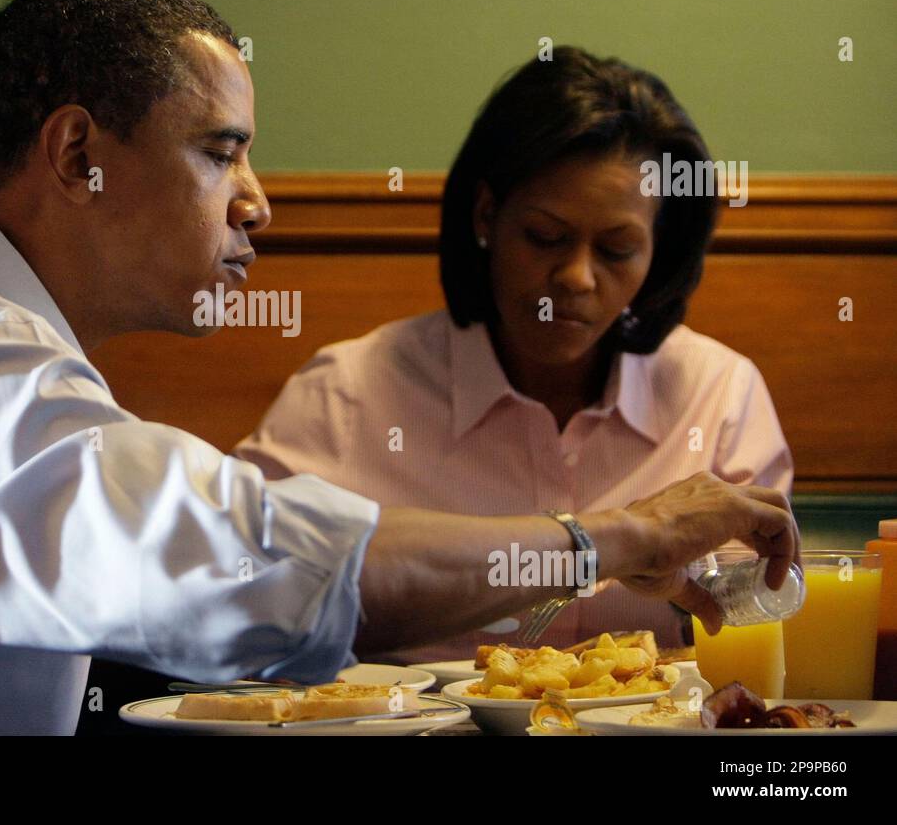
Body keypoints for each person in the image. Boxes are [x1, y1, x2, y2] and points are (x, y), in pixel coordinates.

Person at [0, 0, 797, 734]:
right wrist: (614, 542)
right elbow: (254, 567)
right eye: (220, 152)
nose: (259, 204)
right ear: (79, 153)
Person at [236, 46, 794, 661]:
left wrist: (716, 581)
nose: (577, 278)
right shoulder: (348, 393)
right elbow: (244, 597)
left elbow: (760, 607)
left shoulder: (717, 390)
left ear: (659, 252)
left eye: (617, 250)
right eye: (545, 237)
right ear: (486, 215)